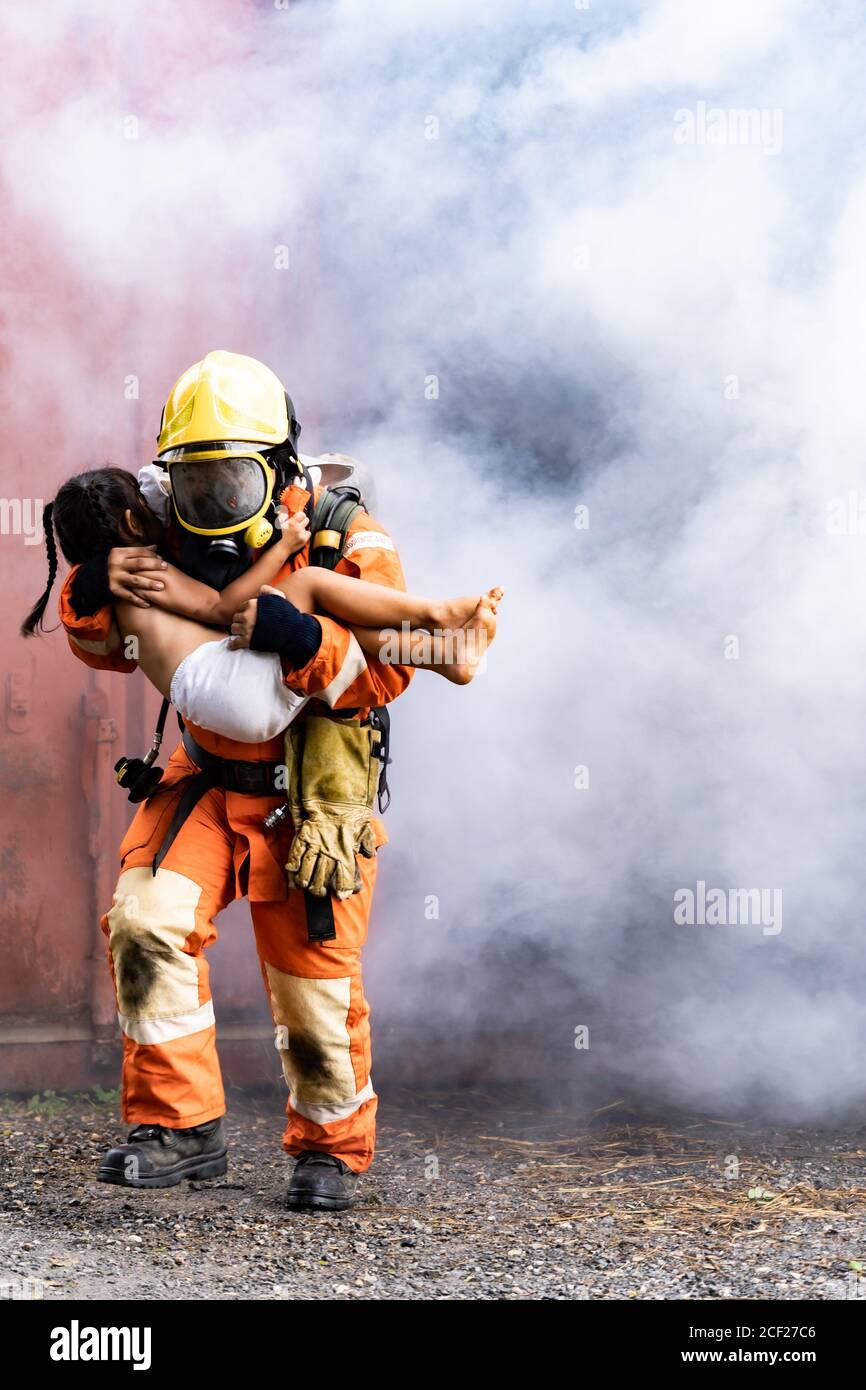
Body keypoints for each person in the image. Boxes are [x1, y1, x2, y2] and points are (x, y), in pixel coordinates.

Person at [31, 351, 436, 1210]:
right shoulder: (158, 528)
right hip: (207, 776)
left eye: (233, 482)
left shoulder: (344, 533)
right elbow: (108, 650)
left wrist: (302, 637)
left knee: (314, 982)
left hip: (310, 790)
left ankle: (331, 1148)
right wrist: (94, 583)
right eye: (197, 482)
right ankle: (179, 1129)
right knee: (146, 922)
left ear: (280, 468)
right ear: (171, 475)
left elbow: (390, 667)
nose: (213, 503)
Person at [23, 466, 503, 744]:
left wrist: (87, 582)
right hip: (231, 688)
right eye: (148, 507)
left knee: (324, 619)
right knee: (311, 584)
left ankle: (445, 655)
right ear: (131, 523)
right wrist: (284, 545)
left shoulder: (111, 591)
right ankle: (436, 614)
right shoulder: (141, 570)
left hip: (223, 701)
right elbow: (219, 607)